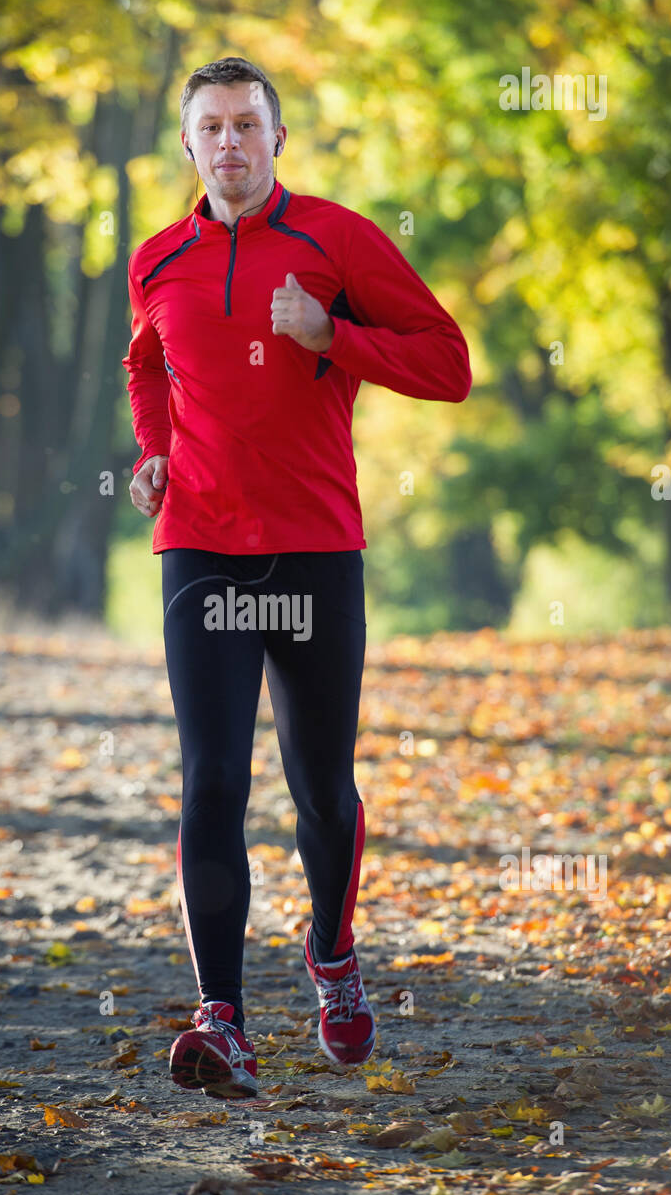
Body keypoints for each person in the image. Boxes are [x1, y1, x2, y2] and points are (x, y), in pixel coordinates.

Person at [123, 57, 471, 1099]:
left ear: (277, 139)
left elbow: (449, 362)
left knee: (319, 788)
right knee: (212, 780)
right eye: (211, 128)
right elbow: (148, 363)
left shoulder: (338, 240)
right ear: (187, 147)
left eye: (247, 125)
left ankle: (331, 955)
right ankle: (221, 1018)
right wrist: (154, 450)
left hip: (316, 548)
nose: (230, 143)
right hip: (201, 547)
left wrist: (336, 336)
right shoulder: (158, 259)